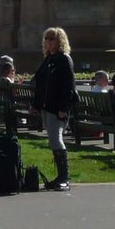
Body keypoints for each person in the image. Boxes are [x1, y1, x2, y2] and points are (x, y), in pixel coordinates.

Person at [30, 26, 76, 191]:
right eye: (47, 39)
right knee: (52, 140)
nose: (49, 42)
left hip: (57, 107)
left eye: (52, 39)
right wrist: (36, 104)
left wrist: (64, 107)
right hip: (46, 106)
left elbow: (68, 86)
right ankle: (60, 176)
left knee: (57, 139)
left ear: (60, 41)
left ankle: (64, 177)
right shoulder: (49, 59)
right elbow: (40, 84)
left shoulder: (64, 59)